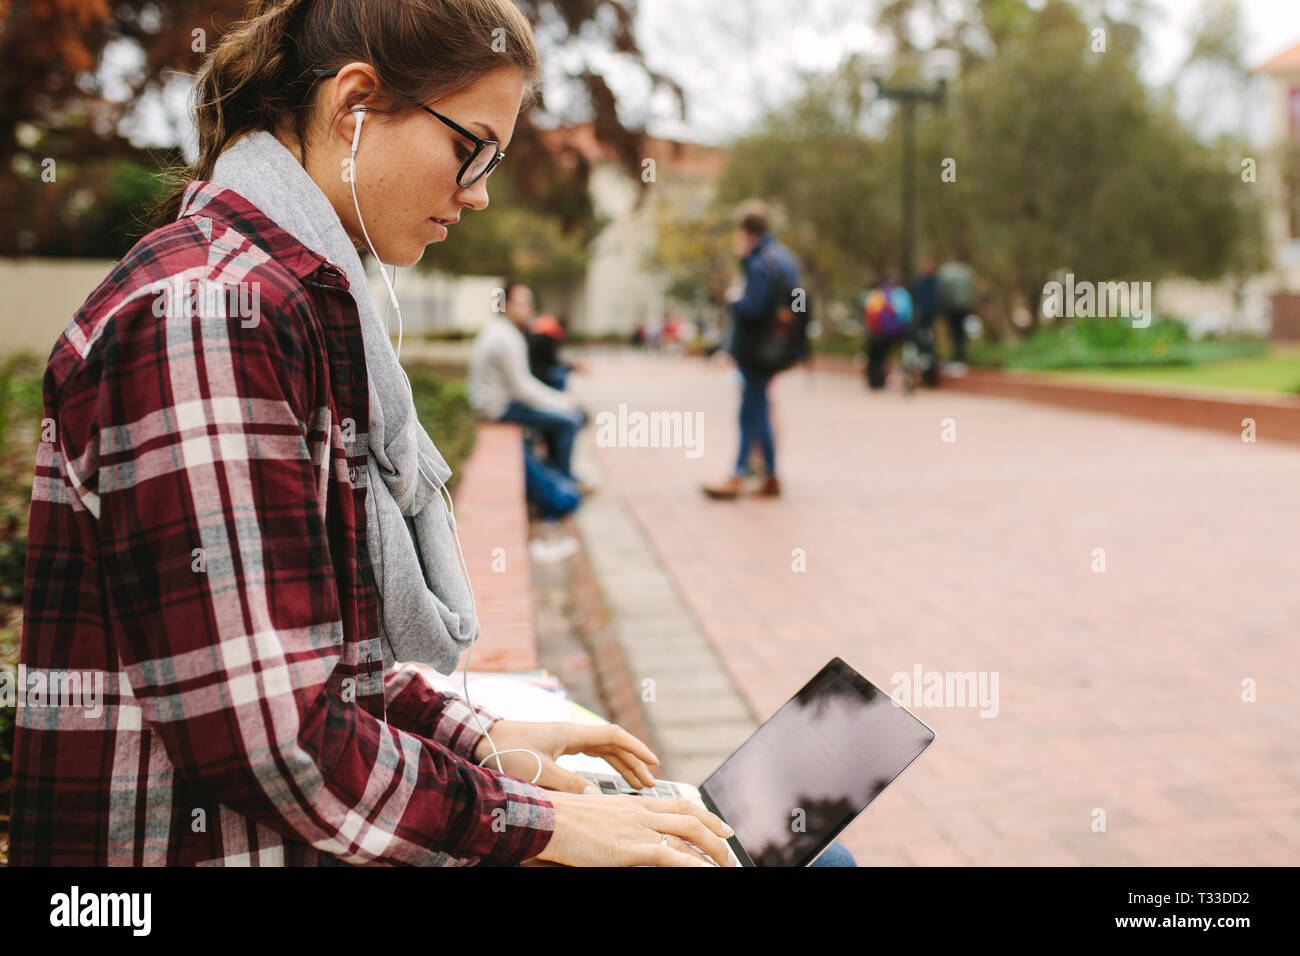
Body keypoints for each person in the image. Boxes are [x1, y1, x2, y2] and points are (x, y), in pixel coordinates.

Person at [10, 0, 734, 868]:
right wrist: (545, 825)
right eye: (471, 146)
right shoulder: (210, 314)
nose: (480, 189)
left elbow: (301, 656)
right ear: (354, 104)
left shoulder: (288, 300)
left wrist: (483, 736)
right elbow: (275, 735)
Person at [702, 199, 801, 500]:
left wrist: (733, 299)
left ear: (746, 231)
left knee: (753, 410)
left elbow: (752, 307)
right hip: (776, 347)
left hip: (757, 350)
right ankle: (759, 473)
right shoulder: (785, 258)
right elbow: (797, 302)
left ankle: (748, 473)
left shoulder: (759, 263)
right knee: (754, 408)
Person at [469, 281, 592, 493]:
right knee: (569, 420)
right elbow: (522, 388)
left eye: (529, 303)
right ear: (505, 305)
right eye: (521, 303)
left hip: (501, 402)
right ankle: (565, 483)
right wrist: (560, 401)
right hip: (499, 408)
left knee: (564, 414)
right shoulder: (505, 337)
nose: (528, 308)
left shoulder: (502, 331)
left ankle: (561, 475)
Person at [862, 273, 914, 389]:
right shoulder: (902, 294)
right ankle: (888, 380)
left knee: (876, 357)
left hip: (877, 332)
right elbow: (906, 314)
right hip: (895, 332)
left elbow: (868, 312)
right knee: (887, 355)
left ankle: (875, 381)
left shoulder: (876, 294)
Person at [936, 255, 976, 367]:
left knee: (954, 333)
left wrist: (942, 307)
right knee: (961, 333)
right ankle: (961, 357)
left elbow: (942, 291)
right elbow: (971, 289)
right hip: (964, 306)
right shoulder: (966, 272)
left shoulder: (945, 272)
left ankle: (956, 358)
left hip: (951, 307)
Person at [909, 257, 941, 387]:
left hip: (928, 320)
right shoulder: (919, 282)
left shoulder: (935, 283)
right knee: (922, 343)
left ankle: (929, 374)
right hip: (921, 319)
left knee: (928, 345)